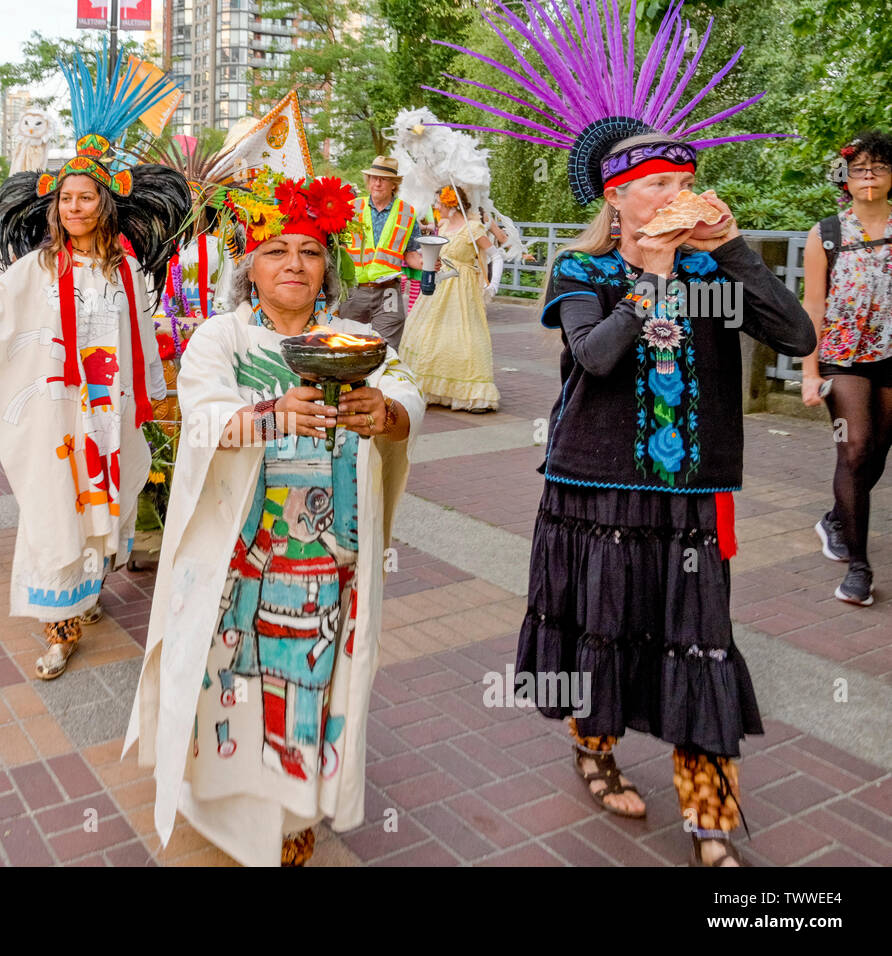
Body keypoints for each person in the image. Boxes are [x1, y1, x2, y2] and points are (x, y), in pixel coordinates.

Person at [436, 0, 816, 866]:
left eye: (685, 183)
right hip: (596, 483)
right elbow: (596, 360)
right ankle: (593, 744)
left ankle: (711, 821)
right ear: (619, 196)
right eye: (658, 185)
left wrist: (736, 251)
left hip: (690, 492)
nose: (676, 196)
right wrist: (644, 276)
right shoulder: (585, 269)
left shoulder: (716, 266)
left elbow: (797, 338)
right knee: (598, 621)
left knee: (698, 634)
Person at [125, 172, 426, 867]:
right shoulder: (219, 339)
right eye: (276, 250)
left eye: (310, 251)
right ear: (250, 268)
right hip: (239, 557)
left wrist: (385, 412)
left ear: (328, 269)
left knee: (307, 686)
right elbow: (199, 415)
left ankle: (293, 816)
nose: (293, 263)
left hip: (329, 557)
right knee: (228, 677)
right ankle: (225, 808)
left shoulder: (355, 338)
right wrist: (268, 414)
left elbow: (407, 389)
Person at [0, 44, 191, 681]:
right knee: (55, 509)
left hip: (108, 414)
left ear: (105, 204)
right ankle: (57, 625)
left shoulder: (127, 269)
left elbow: (142, 335)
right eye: (66, 200)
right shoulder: (38, 266)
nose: (74, 207)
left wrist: (155, 397)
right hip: (54, 415)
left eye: (85, 198)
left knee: (102, 506)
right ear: (53, 207)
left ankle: (86, 597)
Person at [802, 130, 892, 607]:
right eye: (860, 168)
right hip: (842, 354)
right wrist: (809, 371)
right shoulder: (828, 234)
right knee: (855, 448)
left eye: (879, 166)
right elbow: (812, 307)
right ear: (846, 178)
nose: (869, 175)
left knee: (877, 452)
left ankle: (837, 517)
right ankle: (859, 568)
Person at [399, 185, 501, 412]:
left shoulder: (473, 228)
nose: (435, 207)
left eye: (438, 203)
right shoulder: (443, 226)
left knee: (465, 335)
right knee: (431, 334)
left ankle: (470, 393)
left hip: (463, 287)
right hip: (440, 282)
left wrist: (493, 285)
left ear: (450, 205)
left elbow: (496, 255)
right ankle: (434, 388)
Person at [340, 156, 424, 350]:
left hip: (388, 292)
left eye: (384, 179)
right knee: (347, 349)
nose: (377, 183)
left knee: (386, 351)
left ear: (394, 184)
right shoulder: (351, 208)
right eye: (373, 178)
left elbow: (410, 254)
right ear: (368, 181)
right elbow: (340, 248)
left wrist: (426, 263)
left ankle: (381, 381)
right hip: (354, 291)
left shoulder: (407, 213)